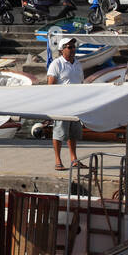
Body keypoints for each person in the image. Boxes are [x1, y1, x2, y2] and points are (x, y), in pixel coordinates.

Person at [47, 36, 85, 170]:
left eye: (74, 47)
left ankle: (74, 159)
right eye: (69, 47)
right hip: (62, 104)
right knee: (59, 132)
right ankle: (58, 160)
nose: (73, 49)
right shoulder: (56, 64)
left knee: (73, 133)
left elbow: (81, 83)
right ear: (62, 50)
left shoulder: (78, 64)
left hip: (76, 104)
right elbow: (50, 85)